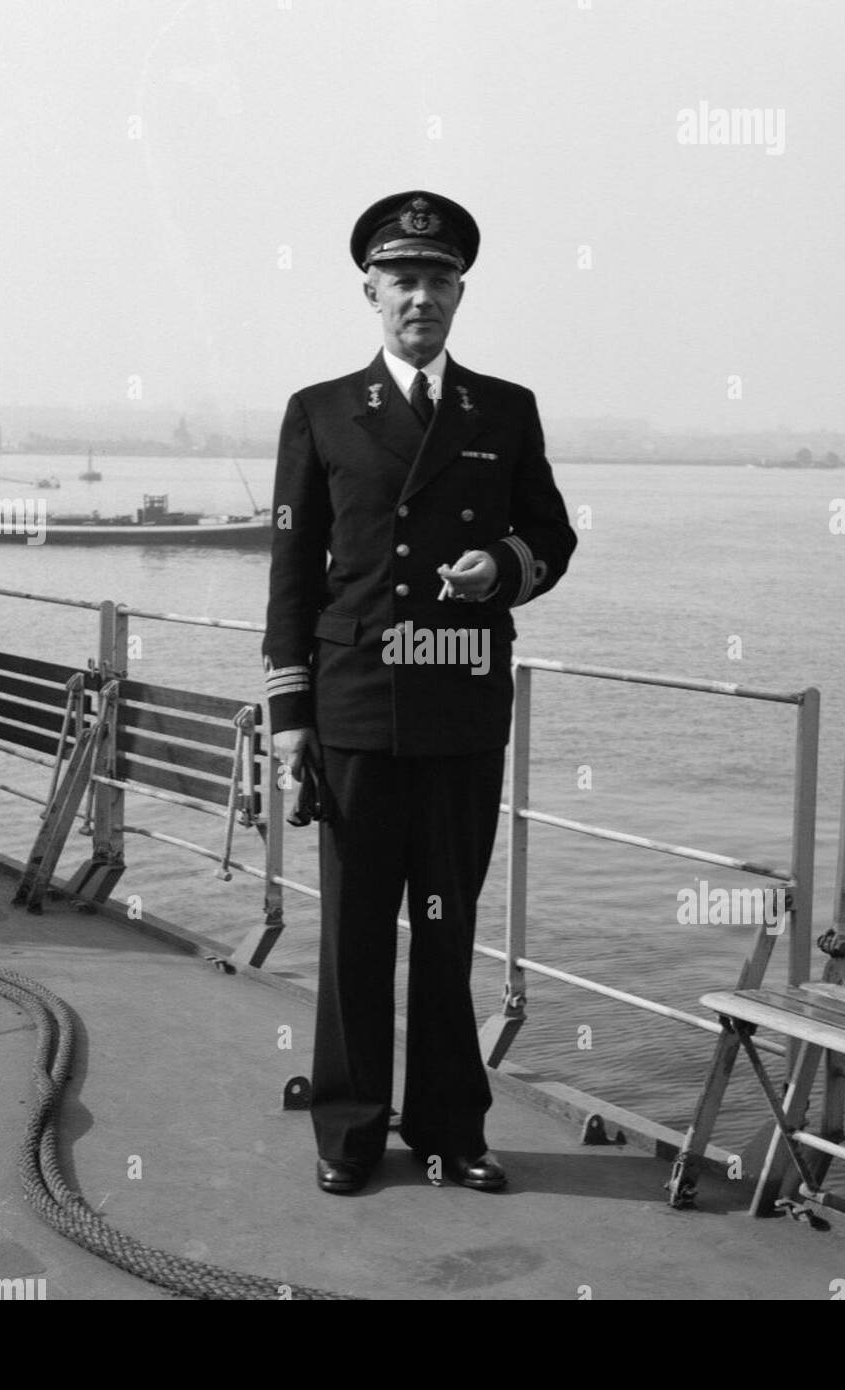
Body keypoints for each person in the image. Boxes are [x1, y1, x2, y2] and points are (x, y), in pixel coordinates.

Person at [262, 190, 577, 1195]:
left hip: (460, 710)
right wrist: (287, 716)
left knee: (445, 931)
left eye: (438, 281)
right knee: (355, 932)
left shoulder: (505, 410)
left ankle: (450, 1130)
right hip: (354, 707)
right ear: (370, 290)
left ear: (459, 294)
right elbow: (291, 574)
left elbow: (554, 539)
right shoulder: (318, 412)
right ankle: (349, 1132)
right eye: (403, 279)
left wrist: (503, 561)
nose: (420, 297)